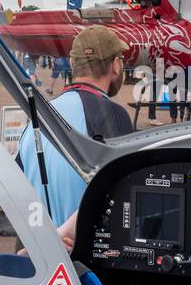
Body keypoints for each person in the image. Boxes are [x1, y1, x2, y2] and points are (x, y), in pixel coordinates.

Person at [17, 26, 131, 233]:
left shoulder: (38, 117)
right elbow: (124, 191)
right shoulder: (113, 115)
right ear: (116, 65)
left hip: (39, 247)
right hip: (82, 255)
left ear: (72, 63)